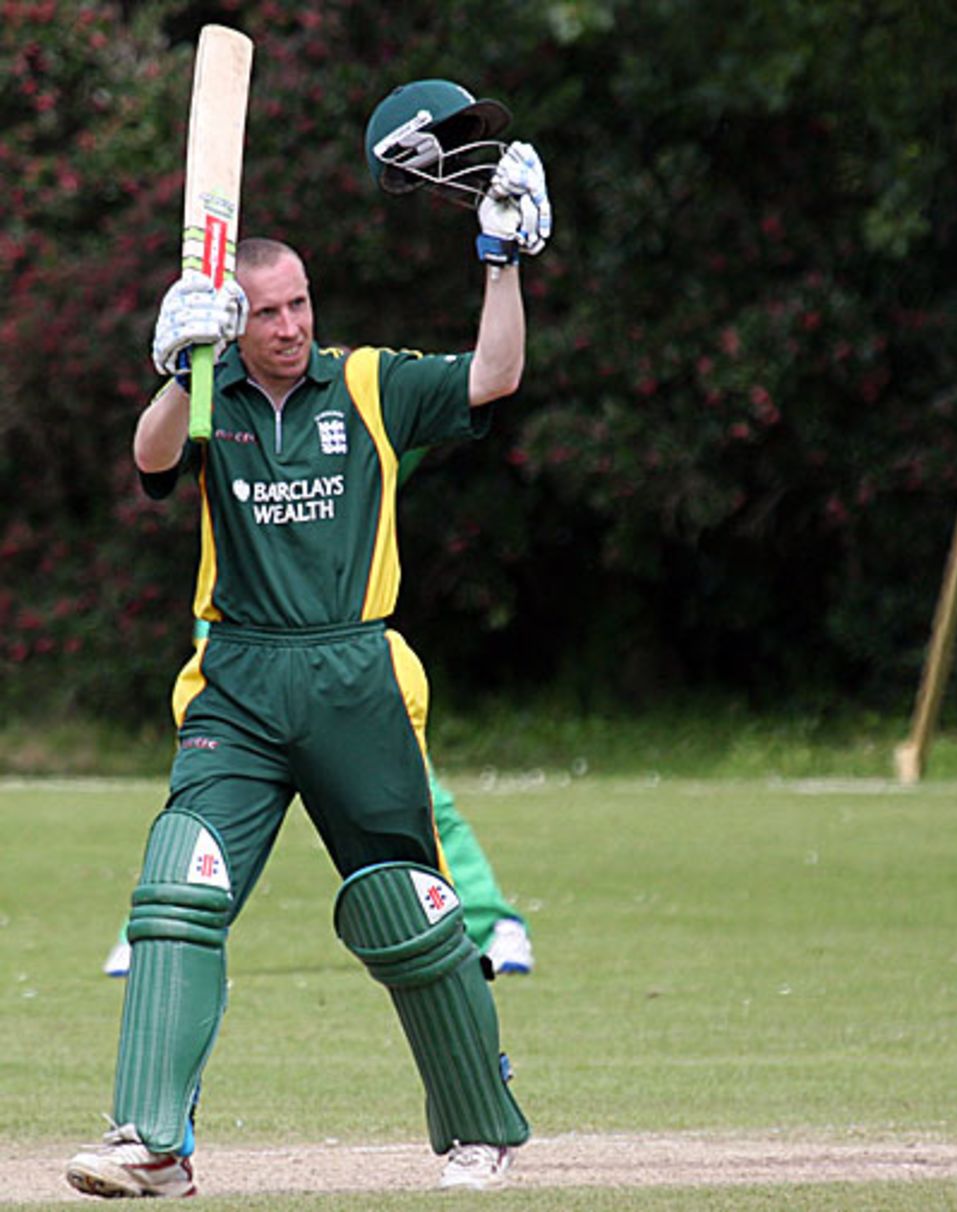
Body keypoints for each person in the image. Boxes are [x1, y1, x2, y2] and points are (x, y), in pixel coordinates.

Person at [67, 80, 550, 1199]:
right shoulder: (211, 392)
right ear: (233, 319)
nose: (289, 326)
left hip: (355, 675)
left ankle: (483, 1128)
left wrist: (502, 259)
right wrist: (169, 364)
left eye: (298, 306)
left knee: (409, 909)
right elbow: (150, 463)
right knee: (177, 884)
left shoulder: (369, 386)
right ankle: (154, 1144)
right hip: (236, 682)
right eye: (266, 313)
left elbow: (496, 376)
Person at [103, 763, 534, 977]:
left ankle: (486, 924)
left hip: (334, 647)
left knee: (408, 793)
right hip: (234, 648)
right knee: (208, 807)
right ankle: (157, 936)